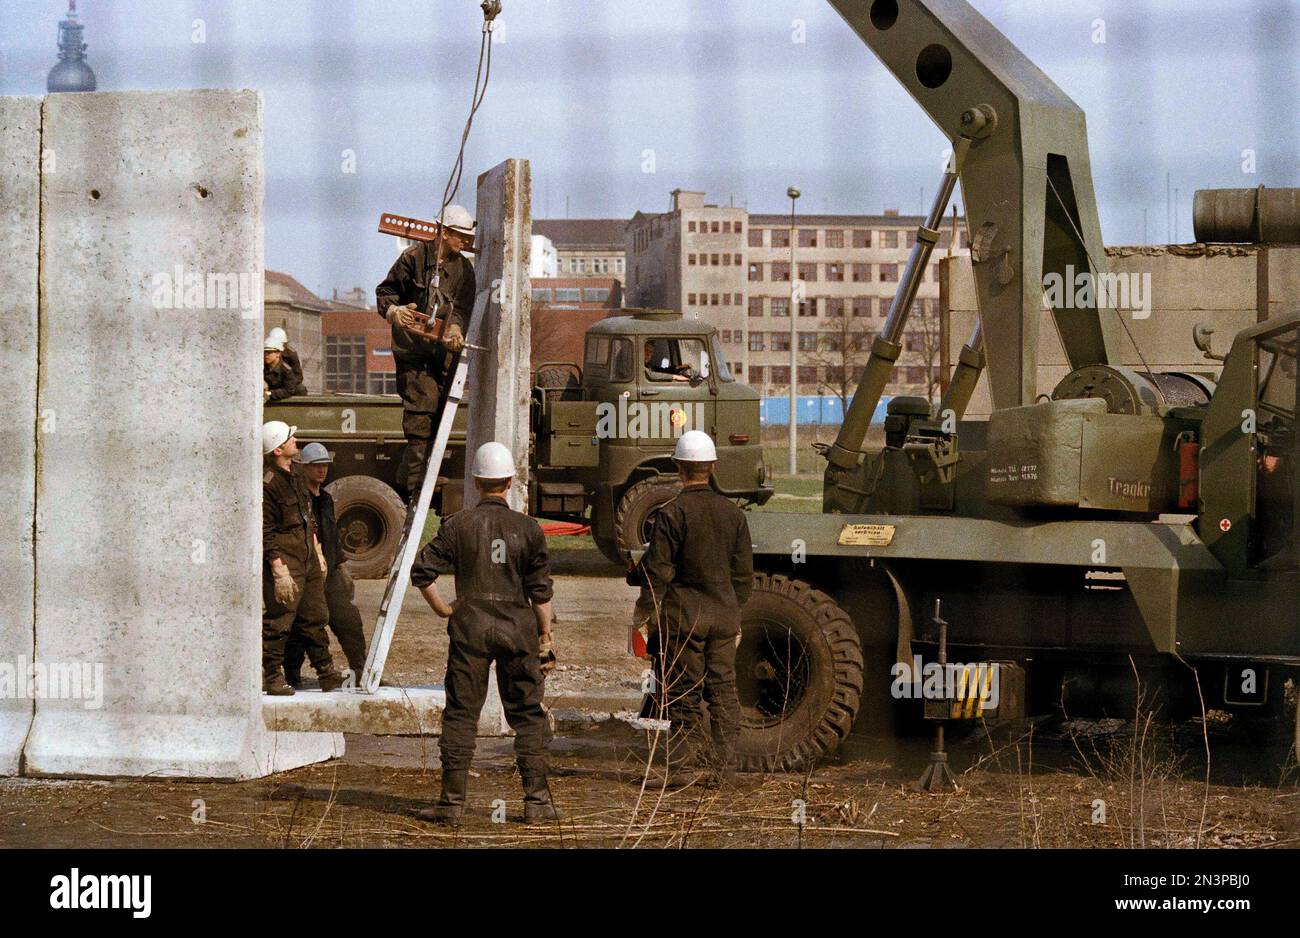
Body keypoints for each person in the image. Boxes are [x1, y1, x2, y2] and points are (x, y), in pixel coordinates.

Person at [410, 442, 558, 826]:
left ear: (476, 482)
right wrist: (546, 635)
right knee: (526, 714)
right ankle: (537, 802)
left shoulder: (458, 525)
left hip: (470, 628)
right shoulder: (529, 529)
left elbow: (421, 571)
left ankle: (451, 806)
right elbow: (540, 593)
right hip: (517, 628)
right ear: (509, 482)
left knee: (461, 713)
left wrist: (444, 608)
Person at [633, 430, 753, 787]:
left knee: (685, 692)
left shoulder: (671, 514)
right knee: (724, 690)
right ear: (712, 466)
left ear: (679, 467)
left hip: (685, 617)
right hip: (723, 615)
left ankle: (684, 772)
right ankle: (724, 771)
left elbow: (657, 572)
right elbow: (743, 575)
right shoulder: (734, 515)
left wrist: (645, 612)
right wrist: (734, 612)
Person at [375, 205, 478, 503]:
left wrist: (456, 329)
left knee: (439, 413)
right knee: (421, 410)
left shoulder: (463, 270)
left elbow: (463, 308)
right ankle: (416, 487)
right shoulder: (413, 258)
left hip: (443, 356)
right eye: (461, 236)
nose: (465, 242)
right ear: (445, 233)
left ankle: (413, 473)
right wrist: (394, 311)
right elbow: (386, 293)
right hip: (413, 353)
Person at [261, 421, 347, 696]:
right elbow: (266, 530)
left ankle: (326, 673)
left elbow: (307, 518)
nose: (295, 439)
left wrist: (318, 551)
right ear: (277, 450)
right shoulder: (269, 485)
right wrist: (277, 569)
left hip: (307, 557)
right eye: (290, 438)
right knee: (280, 620)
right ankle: (273, 677)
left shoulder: (298, 474)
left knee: (316, 616)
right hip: (286, 561)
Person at [283, 443, 368, 687]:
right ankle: (292, 676)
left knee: (349, 622)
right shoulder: (298, 498)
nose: (322, 470)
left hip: (331, 574)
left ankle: (360, 671)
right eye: (316, 466)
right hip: (307, 575)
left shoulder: (326, 499)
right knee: (301, 629)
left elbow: (331, 537)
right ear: (304, 468)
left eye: (324, 465)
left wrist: (341, 567)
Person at [264, 328, 306, 401]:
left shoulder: (291, 355)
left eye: (270, 352)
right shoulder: (265, 360)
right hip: (271, 384)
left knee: (300, 389)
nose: (266, 355)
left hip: (287, 383)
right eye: (266, 352)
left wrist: (288, 384)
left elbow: (298, 376)